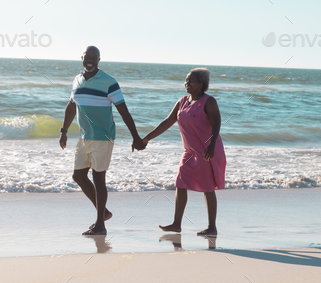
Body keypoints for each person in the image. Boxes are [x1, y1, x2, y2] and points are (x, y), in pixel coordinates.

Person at [59, 46, 145, 235]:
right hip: (84, 137)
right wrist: (63, 131)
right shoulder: (77, 79)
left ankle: (100, 225)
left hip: (103, 138)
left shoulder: (109, 82)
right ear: (82, 58)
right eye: (87, 57)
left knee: (99, 179)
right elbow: (71, 106)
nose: (90, 60)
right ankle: (103, 213)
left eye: (94, 57)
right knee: (78, 176)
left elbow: (124, 111)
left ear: (99, 60)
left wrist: (136, 137)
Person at [143, 68, 226, 236]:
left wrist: (211, 145)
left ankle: (212, 227)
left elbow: (217, 123)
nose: (187, 83)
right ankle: (176, 224)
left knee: (207, 188)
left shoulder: (208, 101)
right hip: (189, 152)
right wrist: (146, 138)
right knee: (180, 183)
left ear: (201, 84)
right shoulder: (182, 101)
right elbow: (167, 122)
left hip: (207, 151)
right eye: (186, 80)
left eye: (191, 81)